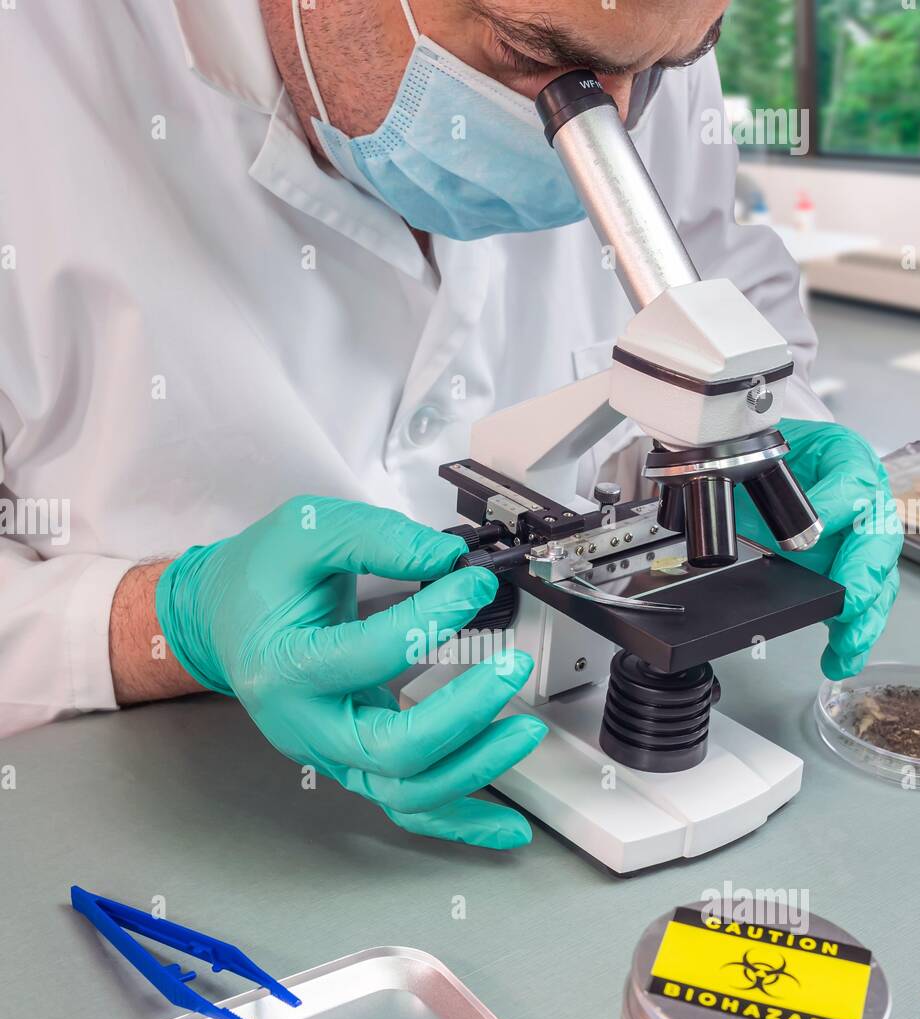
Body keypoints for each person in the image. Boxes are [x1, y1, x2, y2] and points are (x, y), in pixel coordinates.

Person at [0, 0, 901, 847]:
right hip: (162, 795)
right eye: (533, 54)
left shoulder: (632, 25)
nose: (616, 122)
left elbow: (727, 280)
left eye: (671, 63)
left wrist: (771, 441)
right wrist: (167, 620)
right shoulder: (34, 68)